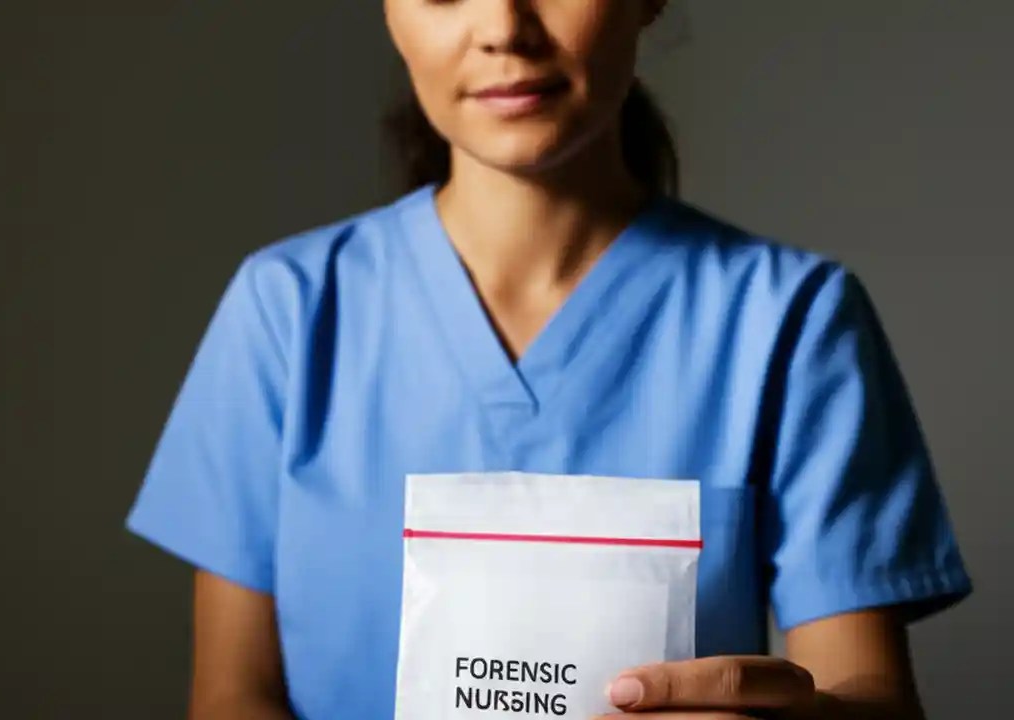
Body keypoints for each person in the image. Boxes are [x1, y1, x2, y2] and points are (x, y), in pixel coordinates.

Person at [125, 1, 973, 718]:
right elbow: (234, 699)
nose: (504, 27)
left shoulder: (790, 320)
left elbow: (869, 693)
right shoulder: (288, 309)